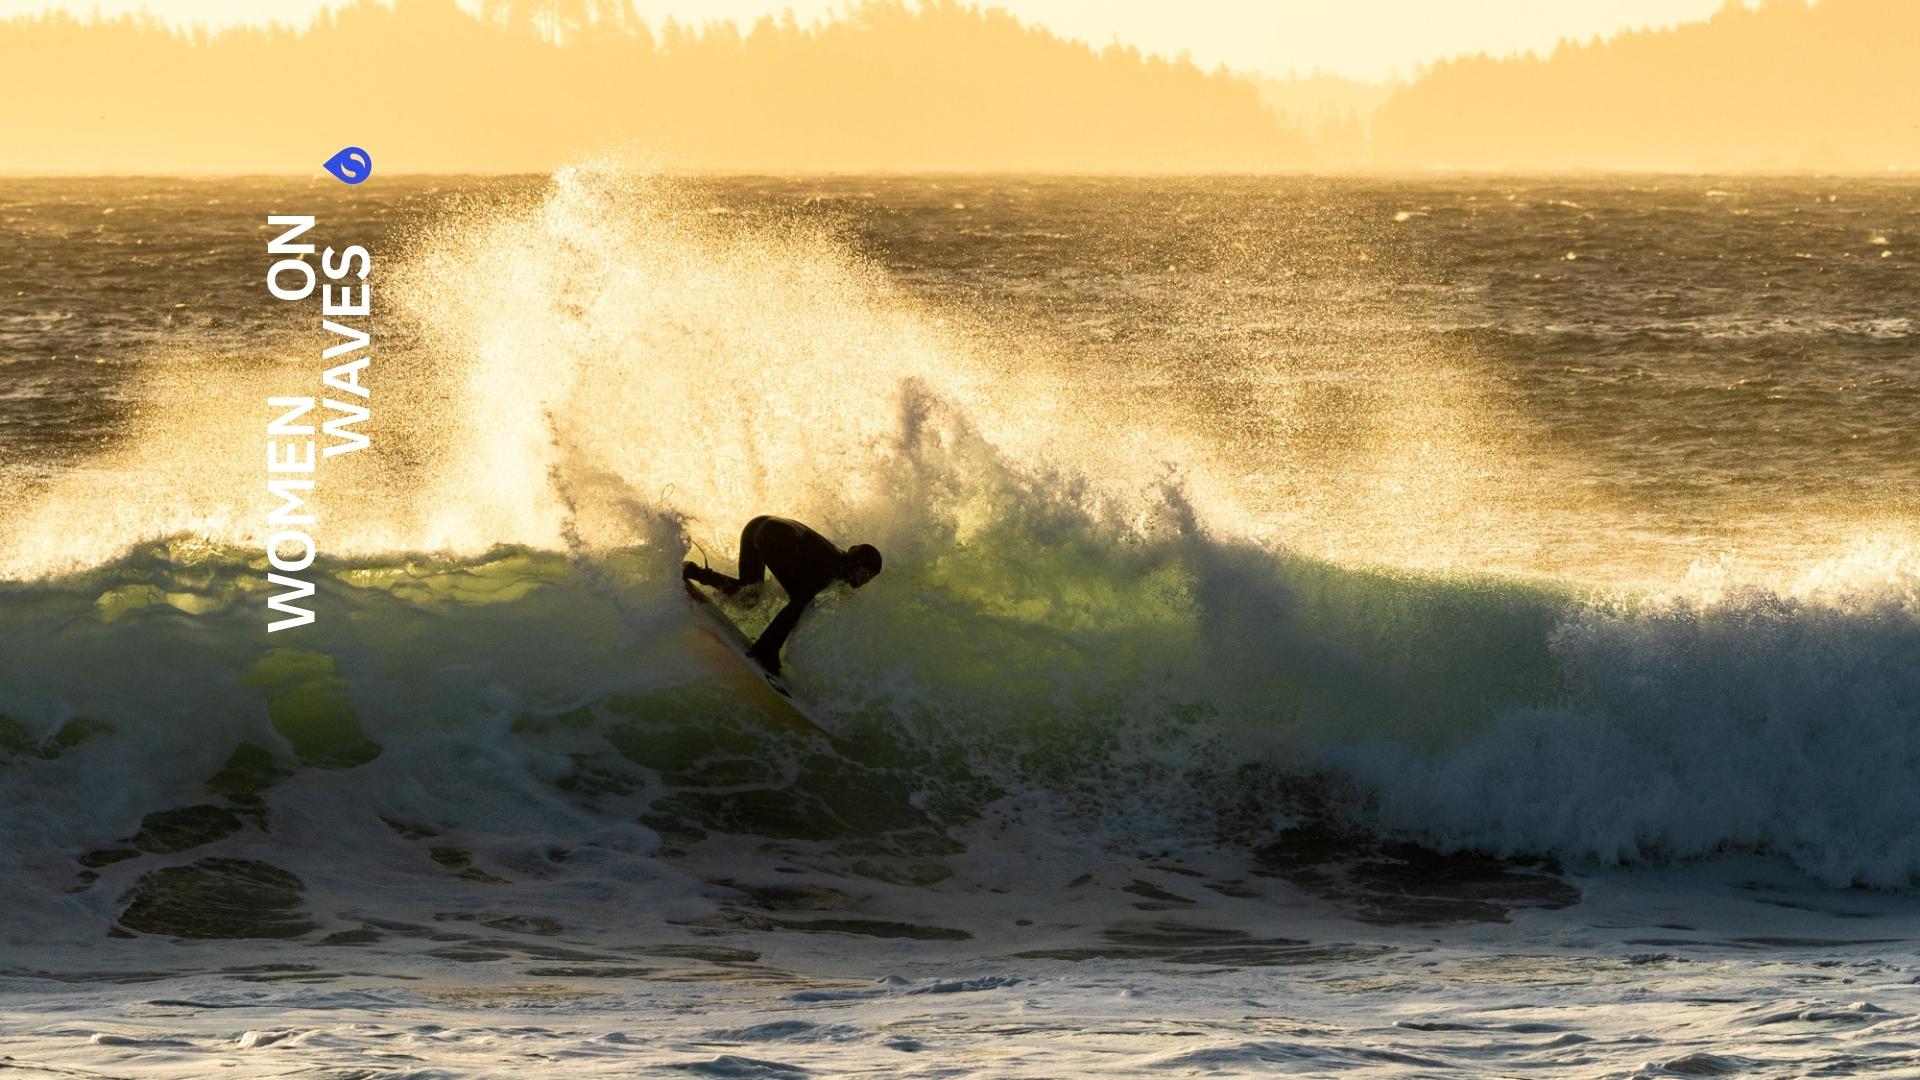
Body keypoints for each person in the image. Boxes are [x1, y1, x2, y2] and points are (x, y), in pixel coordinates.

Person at [683, 515, 882, 675]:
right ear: (854, 565)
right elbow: (803, 596)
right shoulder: (832, 567)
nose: (864, 581)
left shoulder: (837, 563)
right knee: (801, 598)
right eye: (864, 574)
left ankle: (694, 572)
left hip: (758, 526)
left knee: (750, 596)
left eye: (869, 578)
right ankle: (765, 651)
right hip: (773, 535)